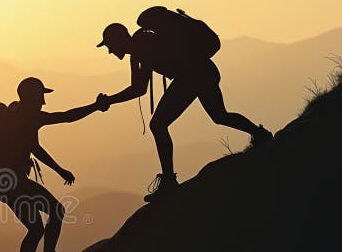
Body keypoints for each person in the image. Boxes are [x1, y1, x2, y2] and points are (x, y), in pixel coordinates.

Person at [97, 14, 273, 202]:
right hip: (203, 71)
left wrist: (109, 100)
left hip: (192, 76)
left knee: (158, 125)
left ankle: (169, 181)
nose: (109, 51)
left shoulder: (141, 45)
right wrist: (109, 100)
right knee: (219, 115)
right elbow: (138, 89)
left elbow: (139, 89)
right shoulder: (138, 49)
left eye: (109, 45)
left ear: (118, 39)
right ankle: (259, 133)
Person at [0, 77, 109, 252]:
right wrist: (96, 106)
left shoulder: (14, 115)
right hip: (13, 183)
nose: (43, 102)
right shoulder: (30, 117)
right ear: (32, 97)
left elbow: (35, 148)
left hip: (3, 182)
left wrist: (60, 169)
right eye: (41, 96)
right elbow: (67, 117)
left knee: (36, 227)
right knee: (54, 213)